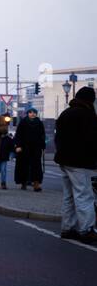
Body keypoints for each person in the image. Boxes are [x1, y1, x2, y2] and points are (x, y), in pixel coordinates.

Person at [54, 85, 97, 244]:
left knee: (69, 196)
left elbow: (57, 138)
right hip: (82, 162)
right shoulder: (88, 115)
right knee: (84, 195)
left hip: (64, 160)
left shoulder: (65, 113)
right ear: (90, 100)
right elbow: (92, 141)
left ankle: (67, 228)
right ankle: (86, 230)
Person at [14, 106, 46, 191]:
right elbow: (19, 135)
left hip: (36, 148)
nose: (32, 114)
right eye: (31, 112)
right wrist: (18, 145)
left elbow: (42, 135)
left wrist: (43, 146)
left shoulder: (39, 122)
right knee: (24, 165)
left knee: (36, 166)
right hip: (24, 148)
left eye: (34, 112)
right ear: (28, 113)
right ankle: (23, 182)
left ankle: (36, 184)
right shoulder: (23, 122)